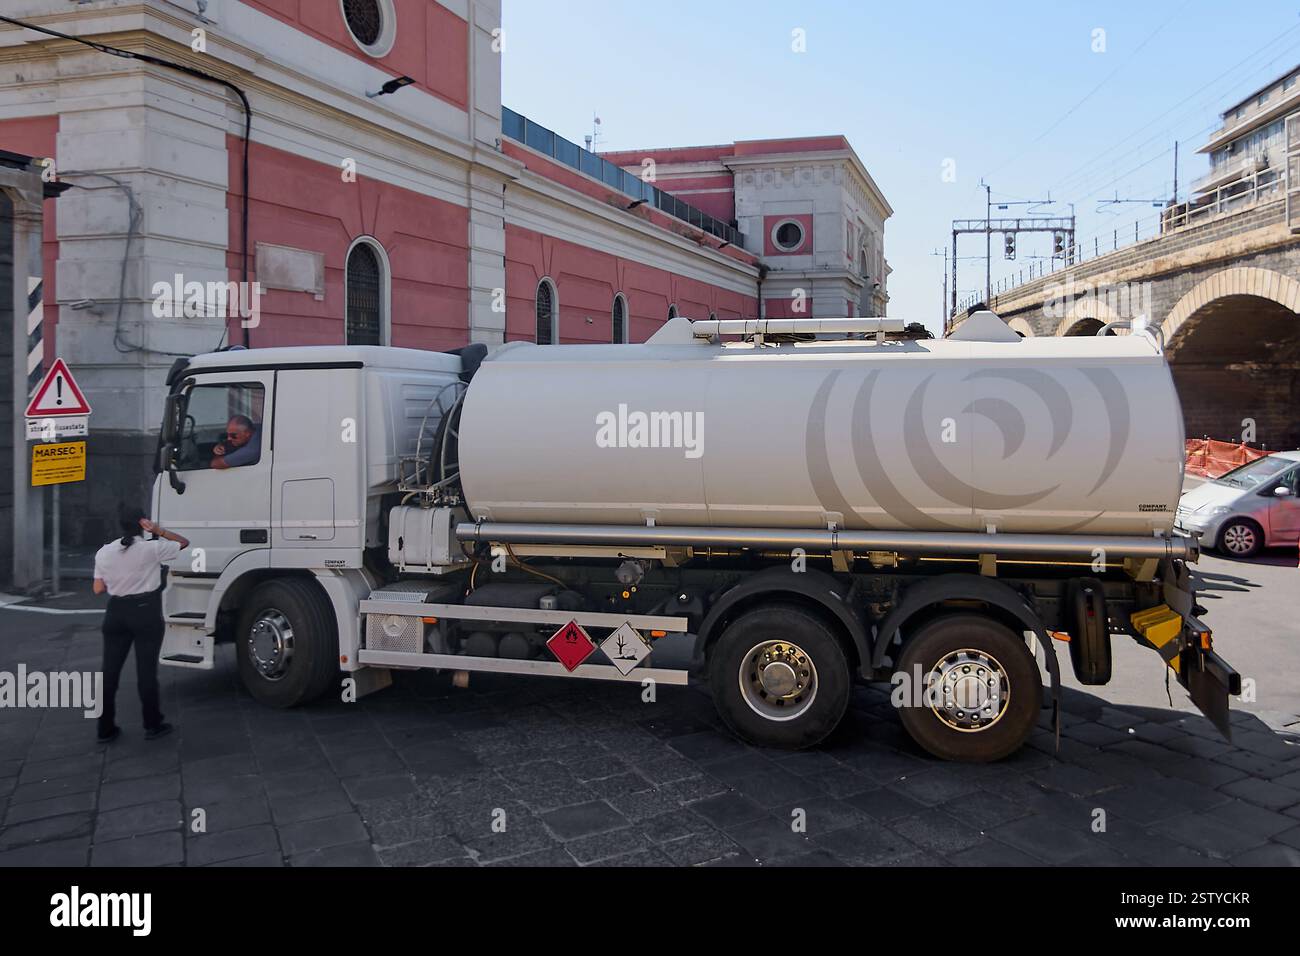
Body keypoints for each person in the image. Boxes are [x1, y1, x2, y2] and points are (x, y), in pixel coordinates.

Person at [92, 506, 189, 743]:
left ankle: (105, 729)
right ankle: (152, 724)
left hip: (115, 613)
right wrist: (158, 530)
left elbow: (97, 589)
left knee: (109, 673)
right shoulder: (151, 549)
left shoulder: (104, 552)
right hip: (145, 611)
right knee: (146, 673)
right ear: (142, 522)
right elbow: (184, 543)